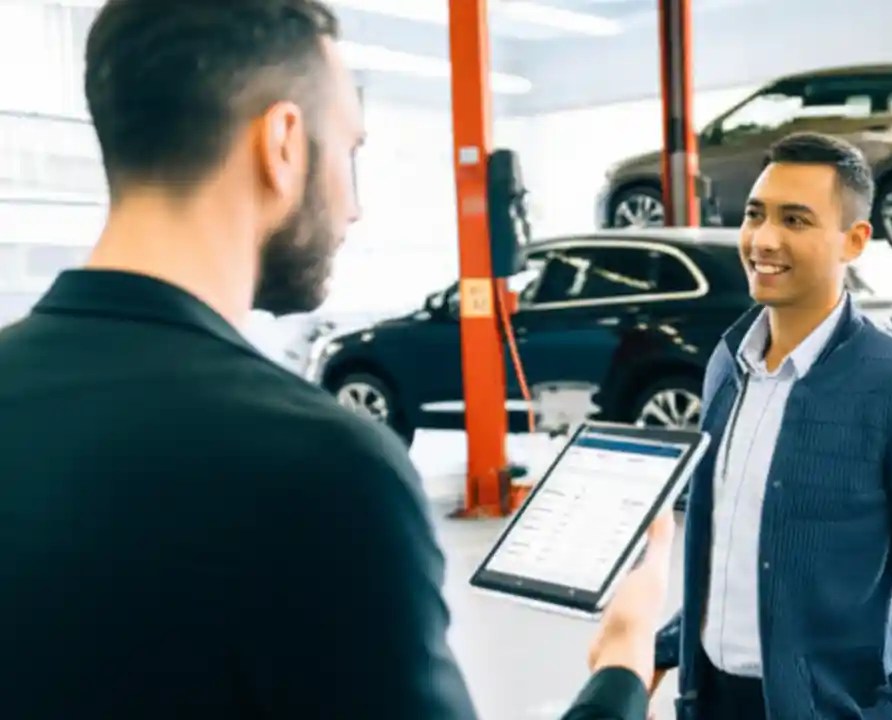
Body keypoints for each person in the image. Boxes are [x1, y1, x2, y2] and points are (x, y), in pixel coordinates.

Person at [0, 1, 669, 718]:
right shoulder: (322, 470)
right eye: (350, 151)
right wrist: (622, 667)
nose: (353, 208)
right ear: (282, 143)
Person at [649, 132, 892, 720]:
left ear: (853, 241)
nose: (764, 239)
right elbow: (730, 550)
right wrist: (655, 652)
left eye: (796, 220)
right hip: (707, 704)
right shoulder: (727, 366)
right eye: (756, 214)